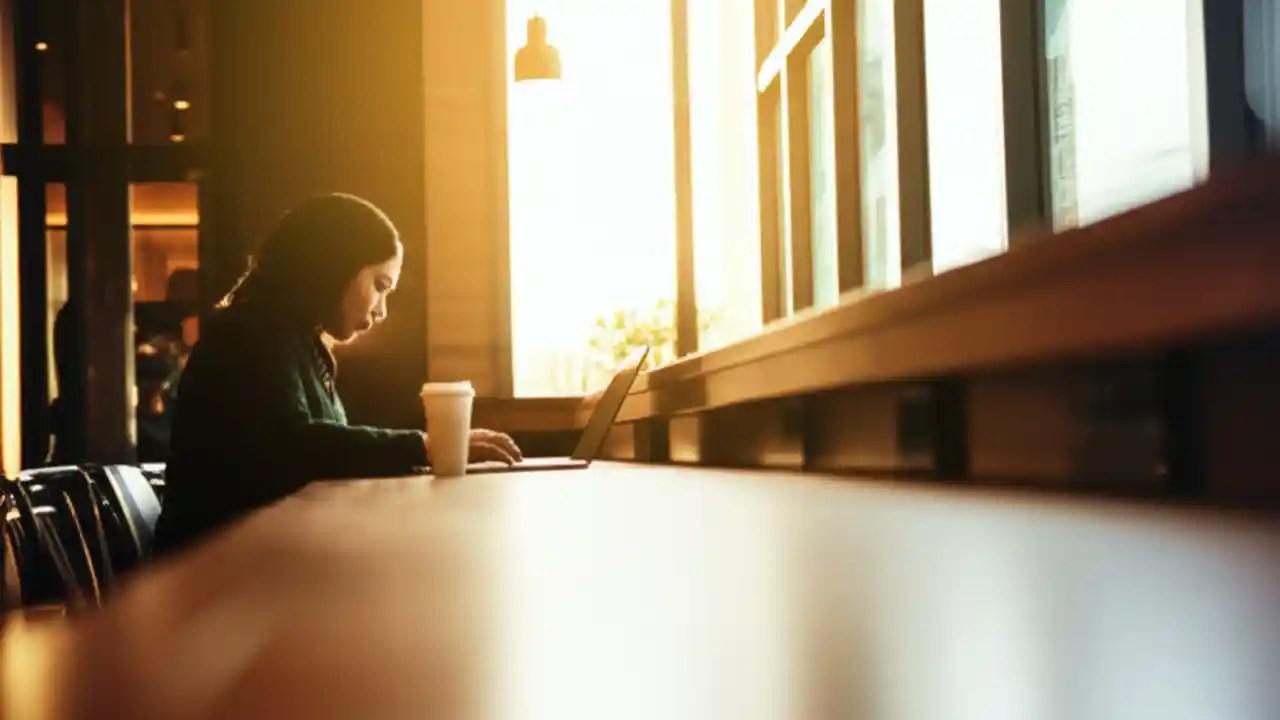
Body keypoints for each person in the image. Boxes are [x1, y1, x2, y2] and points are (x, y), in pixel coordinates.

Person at [154, 193, 521, 554]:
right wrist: (424, 446)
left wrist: (422, 450)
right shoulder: (251, 332)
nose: (382, 312)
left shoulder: (292, 338)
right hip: (219, 575)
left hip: (262, 557)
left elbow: (320, 452)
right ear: (336, 265)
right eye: (380, 286)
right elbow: (291, 447)